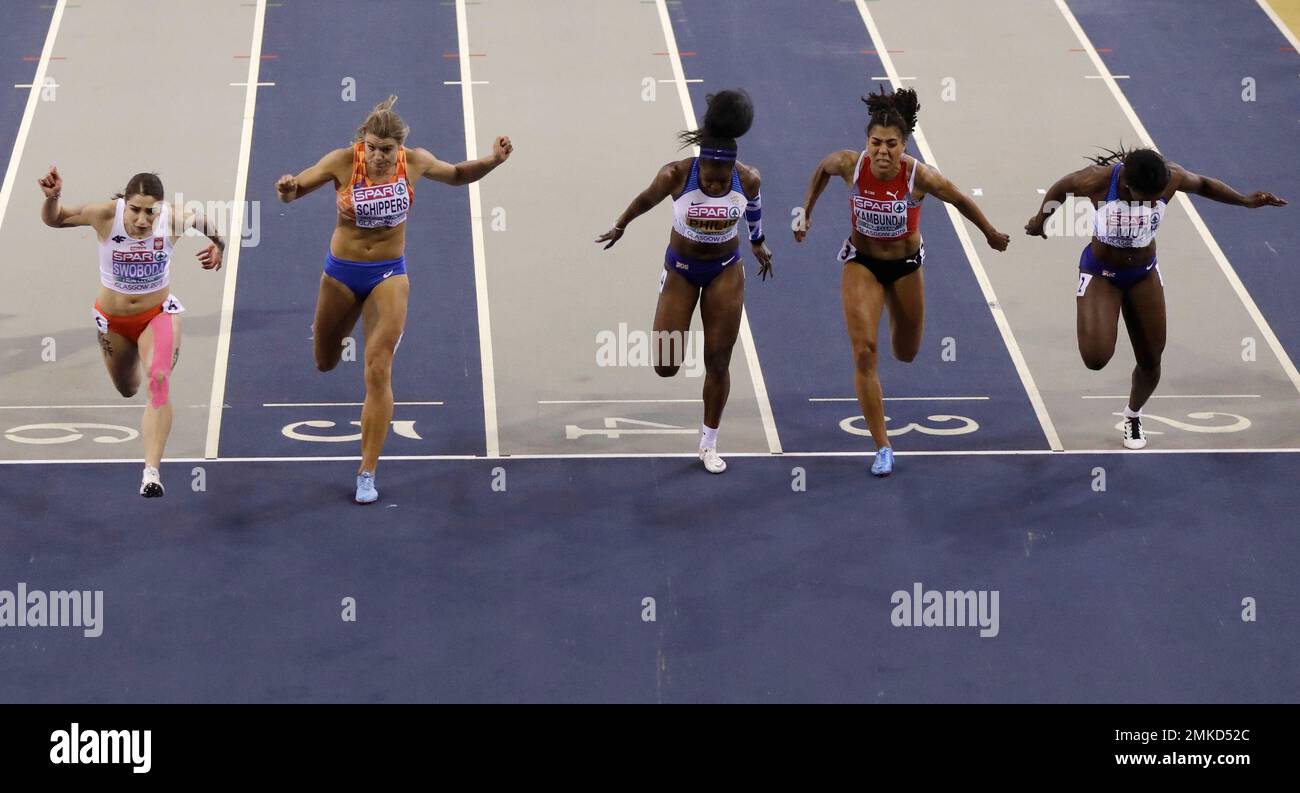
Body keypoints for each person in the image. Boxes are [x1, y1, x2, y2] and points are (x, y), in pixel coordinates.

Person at [276, 96, 511, 503]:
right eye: (373, 147)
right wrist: (287, 188)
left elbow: (455, 174)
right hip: (341, 274)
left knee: (378, 368)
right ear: (361, 143)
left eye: (387, 149)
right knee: (325, 362)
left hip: (389, 274)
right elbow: (294, 191)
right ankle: (327, 328)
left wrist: (492, 161)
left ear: (399, 148)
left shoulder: (414, 162)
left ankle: (367, 471)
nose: (379, 156)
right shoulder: (342, 162)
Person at [796, 87, 1009, 475]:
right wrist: (806, 212)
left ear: (904, 144)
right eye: (875, 143)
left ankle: (895, 314)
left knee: (906, 351)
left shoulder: (919, 176)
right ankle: (882, 446)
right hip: (862, 263)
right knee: (864, 352)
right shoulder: (849, 165)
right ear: (867, 142)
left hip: (907, 266)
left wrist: (990, 233)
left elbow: (960, 199)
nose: (882, 152)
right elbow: (821, 170)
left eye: (891, 145)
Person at [1026, 147, 1286, 448]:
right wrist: (1040, 221)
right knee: (1095, 359)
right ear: (1125, 183)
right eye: (1144, 197)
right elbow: (1061, 188)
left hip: (1143, 275)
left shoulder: (1170, 177)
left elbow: (1203, 184)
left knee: (1151, 360)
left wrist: (1244, 200)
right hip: (1102, 274)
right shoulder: (1095, 181)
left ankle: (1133, 416)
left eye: (1156, 197)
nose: (1152, 202)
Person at [597, 89, 773, 474]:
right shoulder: (676, 175)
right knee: (665, 365)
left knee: (718, 359)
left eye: (719, 181)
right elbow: (646, 199)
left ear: (732, 170)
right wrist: (620, 224)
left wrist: (758, 242)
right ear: (701, 165)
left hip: (725, 270)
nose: (713, 186)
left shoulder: (748, 180)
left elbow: (755, 208)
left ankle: (708, 442)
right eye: (708, 180)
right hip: (681, 270)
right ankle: (679, 325)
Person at [38, 167, 225, 496]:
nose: (142, 220)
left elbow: (209, 226)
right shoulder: (105, 216)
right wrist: (53, 198)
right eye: (135, 210)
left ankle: (151, 472)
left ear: (161, 208)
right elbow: (54, 220)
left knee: (159, 379)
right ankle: (136, 373)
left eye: (150, 212)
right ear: (125, 203)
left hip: (158, 315)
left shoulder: (175, 218)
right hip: (113, 321)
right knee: (127, 388)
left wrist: (218, 247)